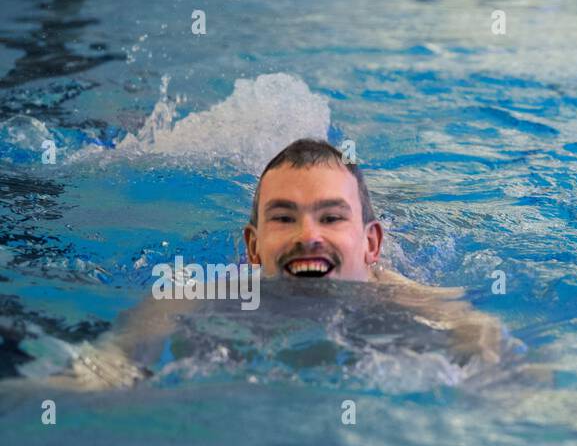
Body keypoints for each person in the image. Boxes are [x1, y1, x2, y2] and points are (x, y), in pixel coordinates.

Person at [46, 138, 503, 389]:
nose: (308, 235)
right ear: (252, 246)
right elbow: (102, 372)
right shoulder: (195, 292)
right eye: (283, 217)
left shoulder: (416, 300)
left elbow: (499, 362)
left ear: (371, 245)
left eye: (330, 217)